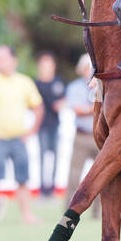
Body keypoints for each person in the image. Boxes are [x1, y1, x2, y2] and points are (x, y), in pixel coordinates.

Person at [0, 46, 44, 224]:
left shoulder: (24, 82)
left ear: (14, 60)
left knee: (23, 179)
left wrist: (32, 130)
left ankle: (28, 215)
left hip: (19, 138)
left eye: (2, 58)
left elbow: (38, 106)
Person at [62, 54, 101, 218]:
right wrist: (96, 107)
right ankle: (69, 211)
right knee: (74, 175)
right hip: (82, 136)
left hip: (99, 136)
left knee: (101, 176)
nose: (89, 71)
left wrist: (90, 108)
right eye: (87, 67)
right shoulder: (75, 87)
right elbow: (78, 109)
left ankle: (99, 212)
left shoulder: (103, 85)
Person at [34, 52, 67, 199]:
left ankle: (52, 188)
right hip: (42, 126)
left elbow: (65, 98)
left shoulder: (58, 82)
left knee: (55, 157)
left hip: (55, 125)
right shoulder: (36, 84)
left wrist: (62, 103)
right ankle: (42, 189)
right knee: (41, 157)